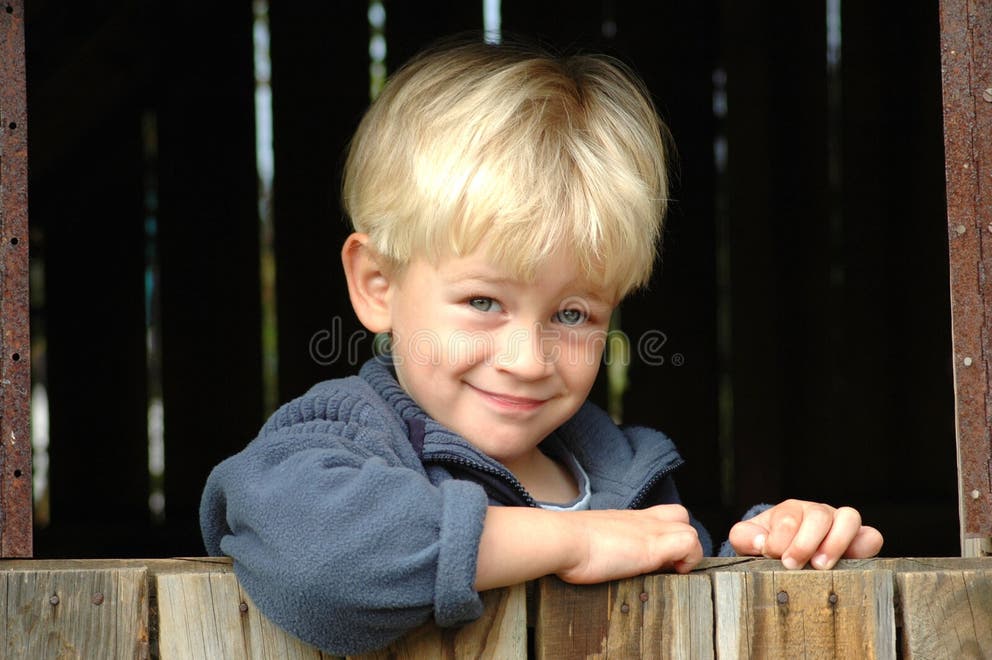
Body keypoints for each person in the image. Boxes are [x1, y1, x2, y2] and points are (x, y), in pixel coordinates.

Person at [200, 37, 883, 655]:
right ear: (377, 284)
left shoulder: (623, 473)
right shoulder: (340, 438)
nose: (527, 359)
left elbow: (693, 592)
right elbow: (325, 563)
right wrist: (572, 541)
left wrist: (777, 544)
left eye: (574, 313)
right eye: (482, 302)